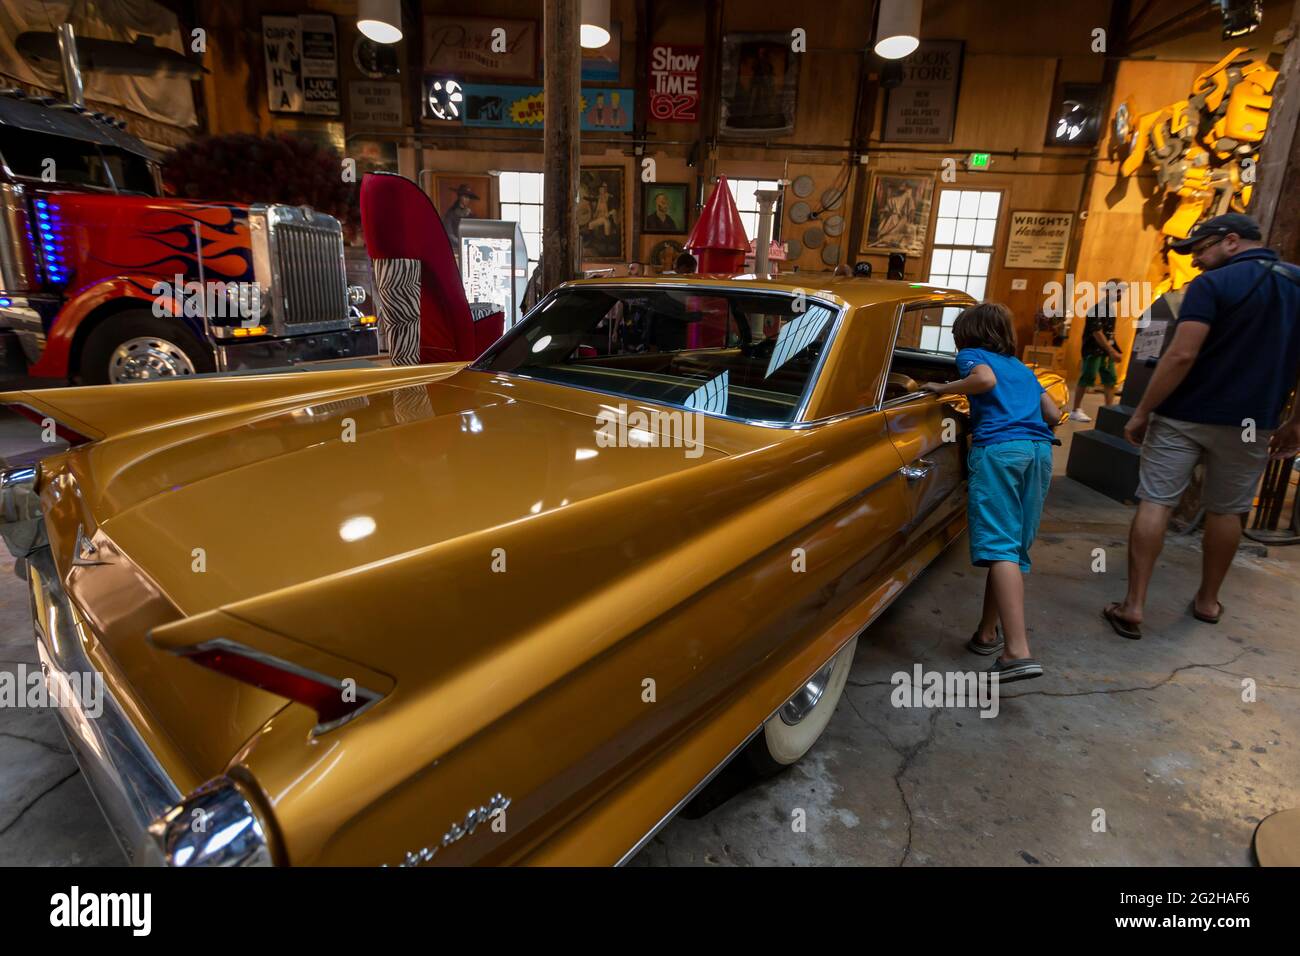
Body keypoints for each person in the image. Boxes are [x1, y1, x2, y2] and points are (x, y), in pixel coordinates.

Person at [1105, 213, 1300, 639]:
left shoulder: (1212, 286)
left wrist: (1141, 412)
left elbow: (1180, 355)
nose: (1195, 261)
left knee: (1156, 500)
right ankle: (1208, 600)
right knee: (1228, 508)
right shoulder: (1296, 284)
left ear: (1232, 241)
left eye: (1200, 250)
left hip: (1184, 416)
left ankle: (1134, 605)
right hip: (1252, 422)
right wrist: (1296, 421)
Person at [921, 303, 1062, 683]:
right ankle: (987, 632)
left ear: (967, 336)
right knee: (1012, 549)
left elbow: (983, 382)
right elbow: (1053, 413)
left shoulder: (972, 356)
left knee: (998, 546)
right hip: (1039, 452)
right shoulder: (1022, 367)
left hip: (1000, 452)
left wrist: (943, 388)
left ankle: (1017, 652)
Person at [1069, 278, 1127, 422]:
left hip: (1105, 353)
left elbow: (1109, 334)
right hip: (1093, 351)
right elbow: (1097, 332)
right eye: (1118, 291)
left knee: (1110, 379)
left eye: (1122, 291)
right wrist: (1111, 351)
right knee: (1087, 377)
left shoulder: (1111, 310)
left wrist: (1115, 350)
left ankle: (1108, 409)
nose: (1120, 294)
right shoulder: (1096, 309)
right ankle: (1075, 409)